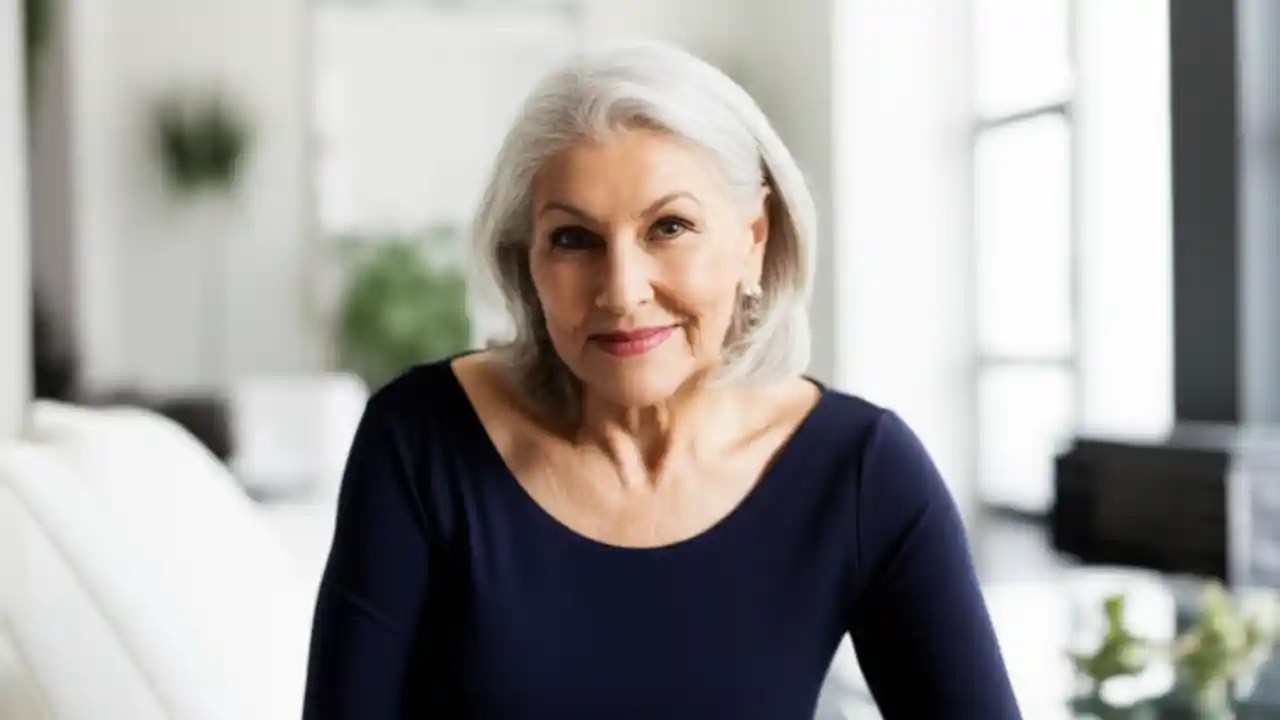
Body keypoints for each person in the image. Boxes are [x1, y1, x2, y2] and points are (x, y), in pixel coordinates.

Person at [303, 41, 1021, 718]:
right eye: (574, 239)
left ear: (754, 238)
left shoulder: (862, 470)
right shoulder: (420, 440)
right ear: (528, 262)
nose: (621, 290)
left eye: (669, 227)